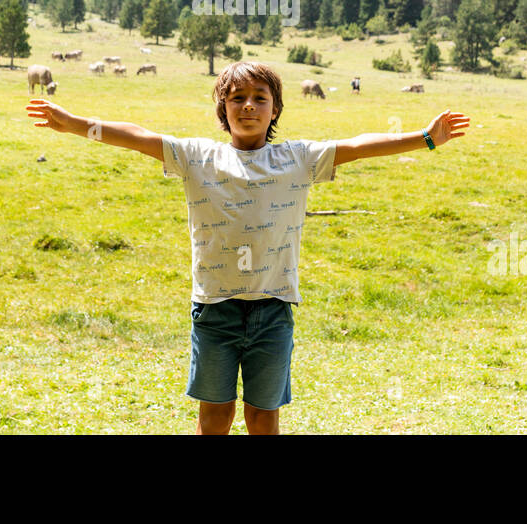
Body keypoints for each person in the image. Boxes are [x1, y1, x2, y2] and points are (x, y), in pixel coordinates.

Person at [25, 60, 470, 434]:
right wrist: (75, 125)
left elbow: (357, 145)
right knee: (214, 416)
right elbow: (137, 134)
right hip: (215, 311)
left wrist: (425, 138)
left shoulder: (299, 159)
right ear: (223, 109)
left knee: (263, 417)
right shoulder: (196, 156)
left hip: (272, 310)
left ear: (275, 109)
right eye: (237, 98)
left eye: (260, 97)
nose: (249, 106)